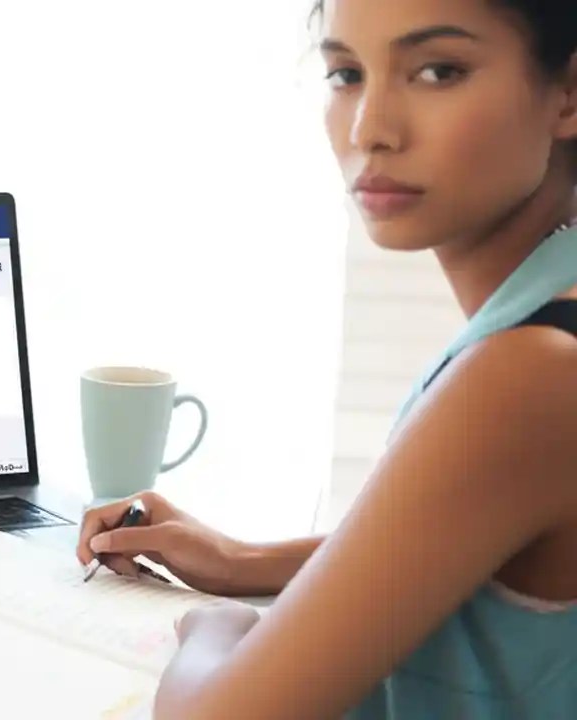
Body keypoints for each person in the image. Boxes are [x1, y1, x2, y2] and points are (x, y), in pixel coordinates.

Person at [76, 1, 577, 718]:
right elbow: (456, 552)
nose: (371, 128)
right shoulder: (551, 311)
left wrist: (220, 625)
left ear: (568, 94)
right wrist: (242, 561)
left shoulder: (528, 374)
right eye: (346, 73)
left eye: (438, 71)